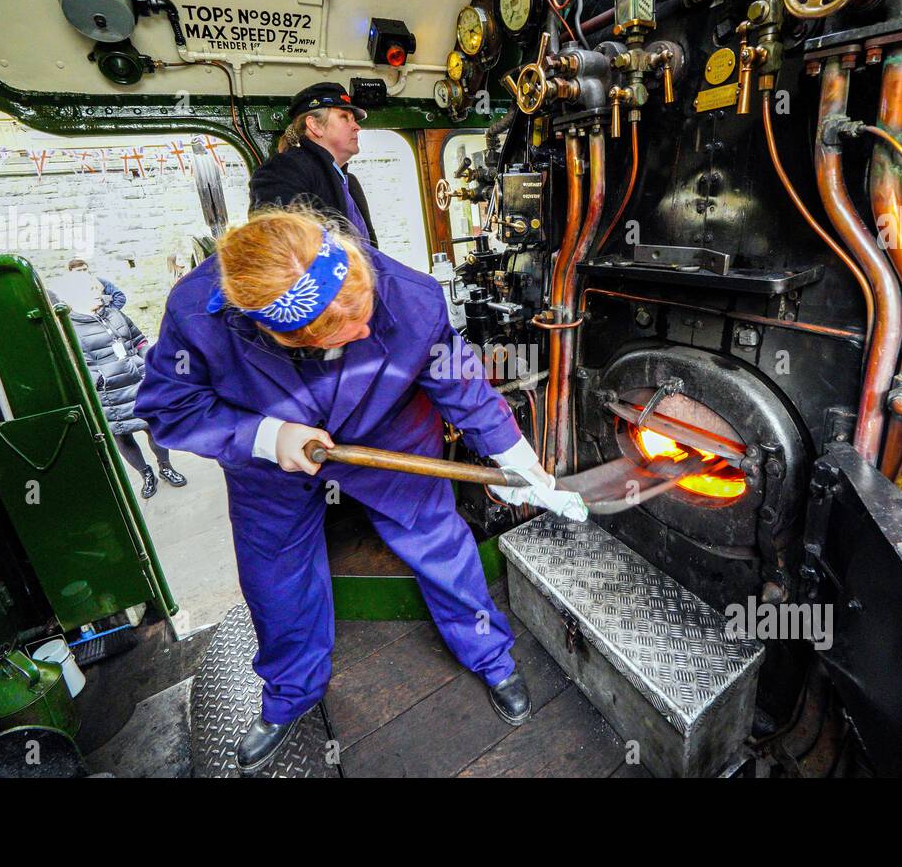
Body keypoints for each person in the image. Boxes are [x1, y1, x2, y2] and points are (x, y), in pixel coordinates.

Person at [134, 207, 584, 773]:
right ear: (278, 335)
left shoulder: (409, 296)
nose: (370, 331)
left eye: (367, 312)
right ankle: (289, 696)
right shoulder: (197, 314)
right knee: (274, 575)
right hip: (267, 460)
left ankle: (491, 658)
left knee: (438, 542)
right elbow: (169, 408)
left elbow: (461, 384)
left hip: (389, 436)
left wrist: (523, 465)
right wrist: (268, 437)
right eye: (348, 332)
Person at [56, 272, 188, 499]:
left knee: (153, 427)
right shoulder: (70, 327)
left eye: (97, 289)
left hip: (138, 382)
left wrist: (149, 362)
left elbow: (138, 340)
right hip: (109, 394)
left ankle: (165, 467)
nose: (99, 293)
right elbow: (79, 363)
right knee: (123, 436)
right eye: (92, 290)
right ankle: (146, 474)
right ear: (75, 296)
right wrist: (102, 378)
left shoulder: (114, 313)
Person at [248, 82, 378, 247]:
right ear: (315, 126)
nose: (357, 127)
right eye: (344, 118)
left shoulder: (350, 183)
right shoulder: (286, 169)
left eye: (354, 120)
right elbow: (279, 245)